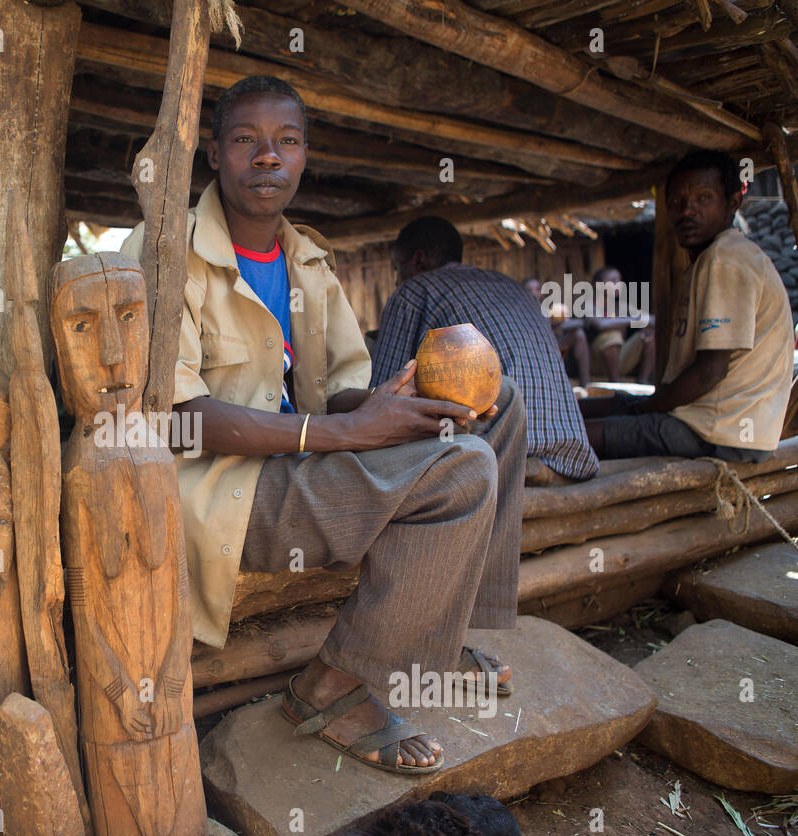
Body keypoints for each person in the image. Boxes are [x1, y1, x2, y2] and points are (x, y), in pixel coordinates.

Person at [120, 76, 525, 774]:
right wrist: (339, 434)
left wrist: (381, 409)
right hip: (222, 491)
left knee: (500, 408)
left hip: (301, 460)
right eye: (247, 141)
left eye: (287, 142)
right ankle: (329, 689)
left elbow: (340, 386)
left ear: (305, 156)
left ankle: (443, 626)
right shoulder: (163, 251)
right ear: (215, 154)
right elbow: (175, 419)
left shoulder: (307, 257)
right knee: (464, 471)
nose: (268, 158)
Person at [582, 150, 795, 462]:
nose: (687, 211)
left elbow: (711, 371)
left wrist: (645, 409)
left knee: (576, 435)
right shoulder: (715, 257)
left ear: (732, 203)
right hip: (717, 424)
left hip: (718, 433)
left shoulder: (726, 258)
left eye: (704, 198)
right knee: (597, 407)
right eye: (676, 202)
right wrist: (642, 406)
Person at [371, 218, 599, 480]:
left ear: (419, 260)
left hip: (493, 460)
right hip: (568, 459)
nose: (397, 280)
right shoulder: (513, 287)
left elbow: (384, 396)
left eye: (397, 269)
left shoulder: (413, 292)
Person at [586, 266, 655, 384]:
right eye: (613, 281)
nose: (619, 284)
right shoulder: (588, 305)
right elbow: (601, 324)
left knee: (649, 335)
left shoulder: (621, 306)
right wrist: (634, 319)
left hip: (620, 361)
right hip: (596, 364)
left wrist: (640, 319)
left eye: (619, 280)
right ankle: (615, 383)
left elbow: (652, 320)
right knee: (612, 335)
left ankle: (643, 381)